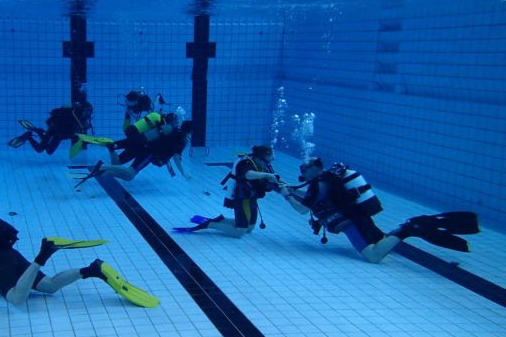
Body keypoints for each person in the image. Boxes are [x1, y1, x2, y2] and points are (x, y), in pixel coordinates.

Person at [280, 157, 480, 263]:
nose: (301, 172)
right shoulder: (324, 181)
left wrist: (287, 195)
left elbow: (303, 210)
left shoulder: (319, 184)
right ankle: (409, 227)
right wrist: (288, 188)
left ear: (315, 168)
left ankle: (410, 228)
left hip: (353, 224)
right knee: (381, 241)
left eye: (303, 169)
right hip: (358, 217)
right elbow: (313, 200)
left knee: (373, 256)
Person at [174, 145, 283, 237]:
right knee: (240, 232)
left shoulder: (263, 164)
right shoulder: (246, 164)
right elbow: (248, 174)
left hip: (252, 199)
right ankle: (211, 224)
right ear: (259, 158)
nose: (269, 164)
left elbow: (273, 178)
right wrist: (267, 174)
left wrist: (283, 184)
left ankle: (222, 220)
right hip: (242, 199)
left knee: (249, 228)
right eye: (268, 161)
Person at [75, 113, 193, 185]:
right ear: (189, 132)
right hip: (149, 153)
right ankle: (102, 167)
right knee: (129, 173)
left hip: (141, 145)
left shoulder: (172, 129)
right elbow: (176, 157)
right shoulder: (182, 140)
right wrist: (183, 173)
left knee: (125, 173)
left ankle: (105, 169)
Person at [8, 99, 94, 156]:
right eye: (87, 111)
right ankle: (28, 136)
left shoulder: (82, 118)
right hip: (55, 131)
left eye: (89, 112)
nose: (88, 114)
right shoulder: (72, 116)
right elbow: (64, 127)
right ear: (83, 110)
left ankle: (38, 132)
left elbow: (76, 131)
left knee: (48, 151)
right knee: (40, 149)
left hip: (59, 135)